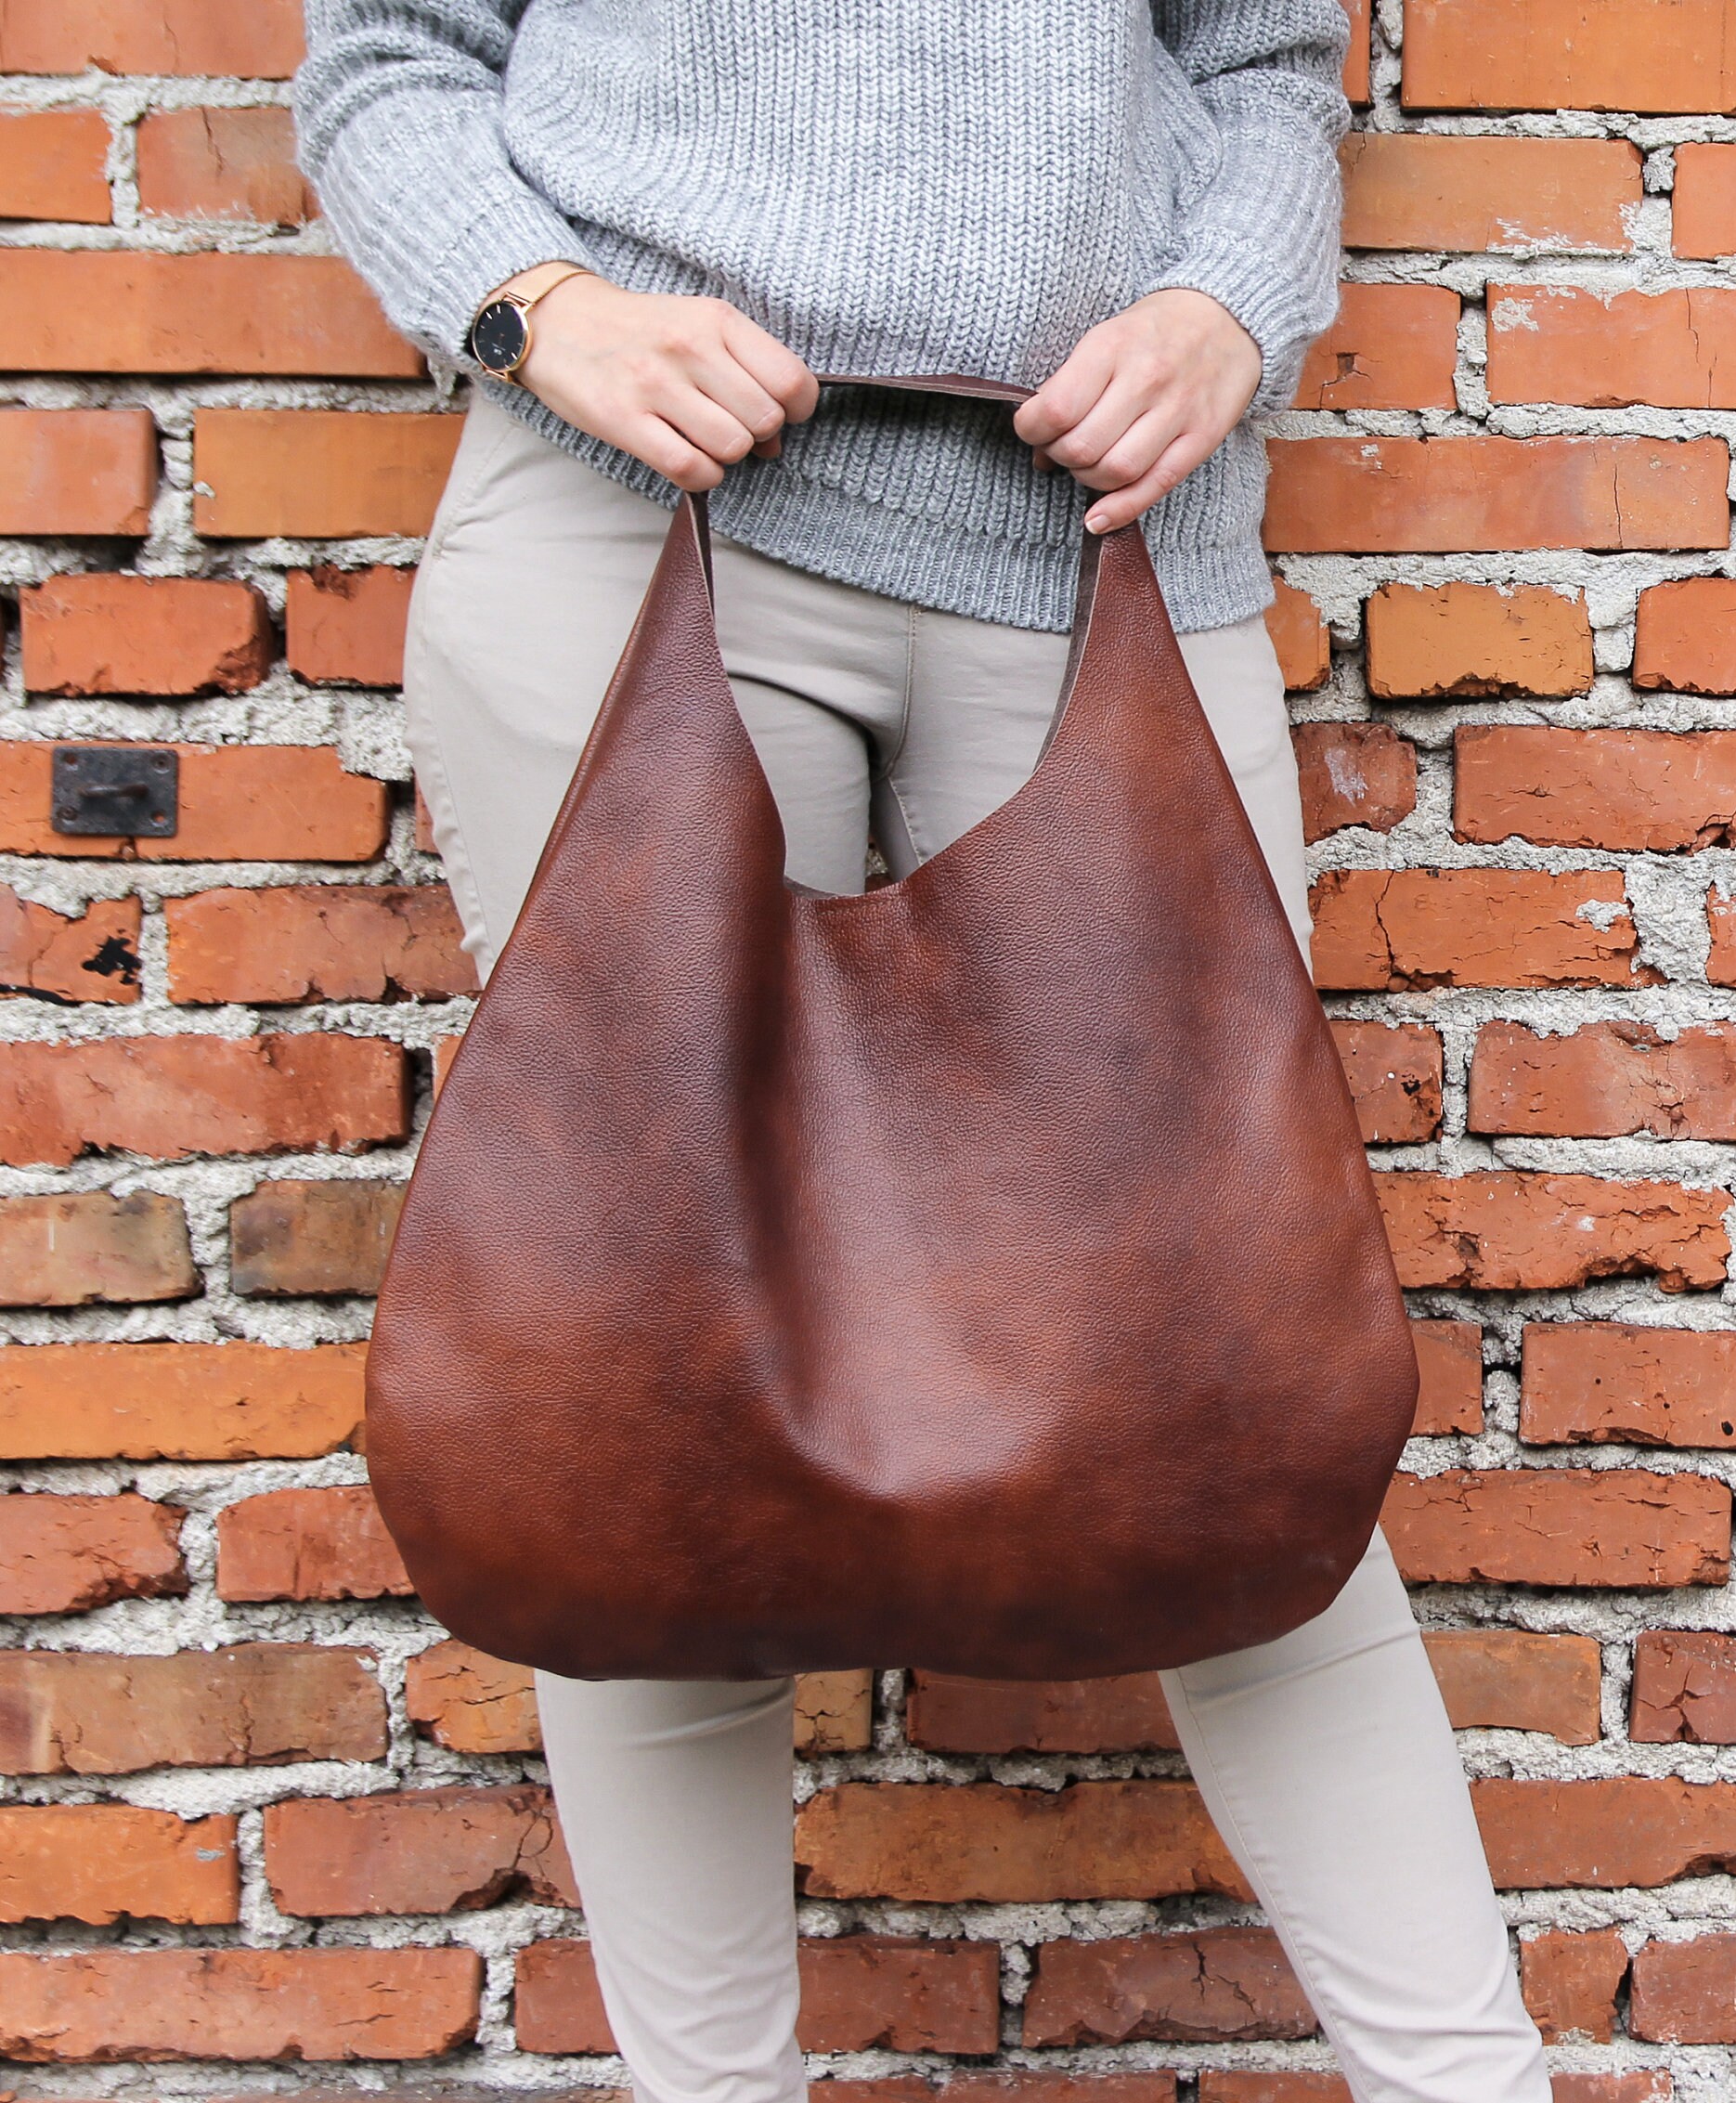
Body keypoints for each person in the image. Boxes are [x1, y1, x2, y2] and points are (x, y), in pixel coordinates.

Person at [292, 9, 1554, 2103]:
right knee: (649, 1416)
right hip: (638, 528)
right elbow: (388, 60)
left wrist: (1232, 303)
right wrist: (544, 309)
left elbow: (1260, 66)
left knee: (1211, 1383)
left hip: (1095, 540)